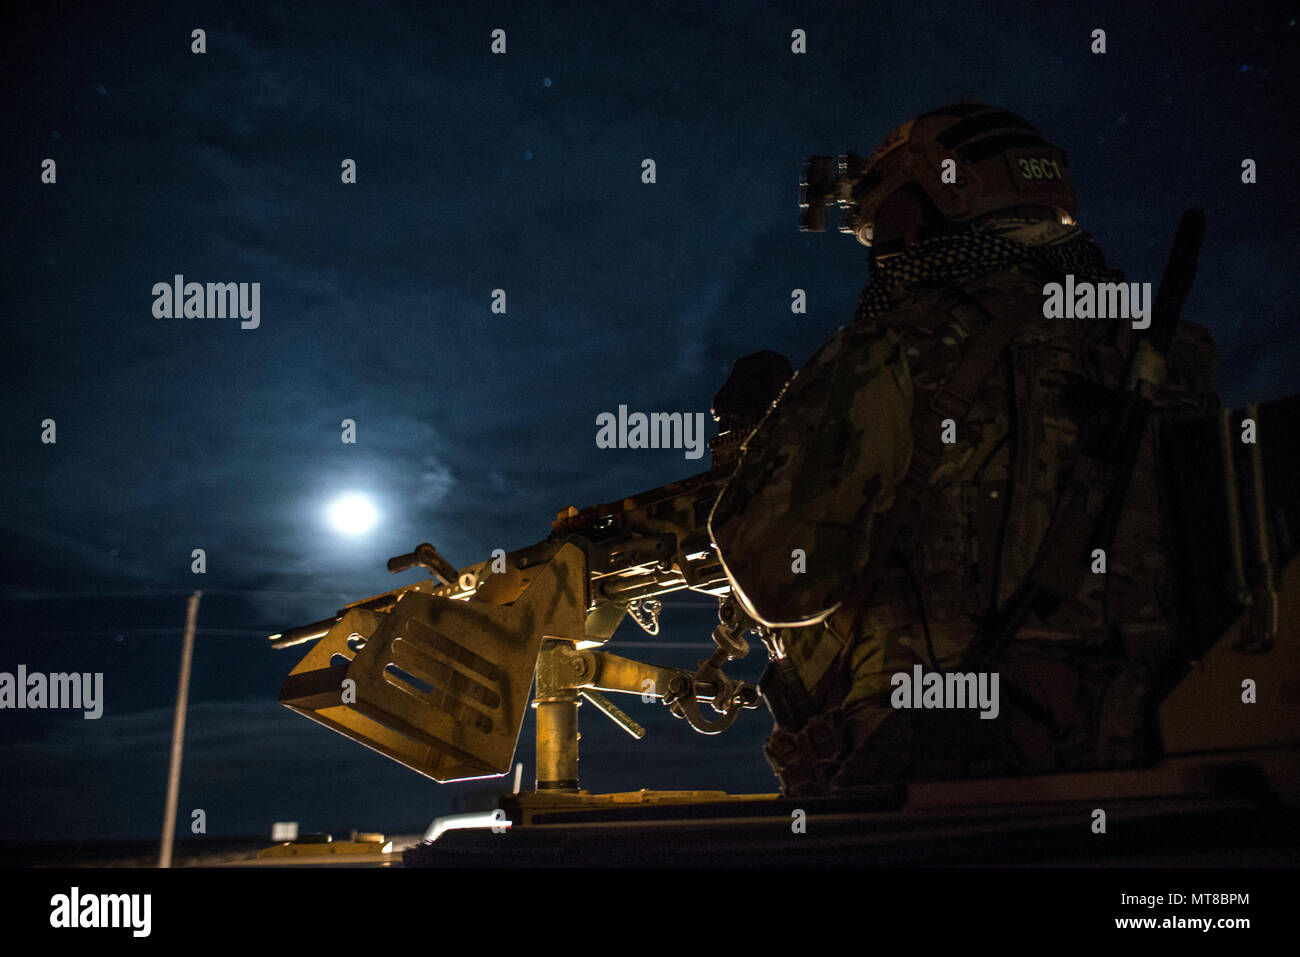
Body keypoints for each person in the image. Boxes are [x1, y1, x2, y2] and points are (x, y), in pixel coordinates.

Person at [708, 103, 1219, 796]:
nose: (886, 252)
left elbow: (776, 577)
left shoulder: (895, 346)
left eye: (889, 221)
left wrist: (745, 451)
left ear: (935, 206)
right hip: (1157, 764)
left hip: (941, 782)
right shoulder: (1167, 356)